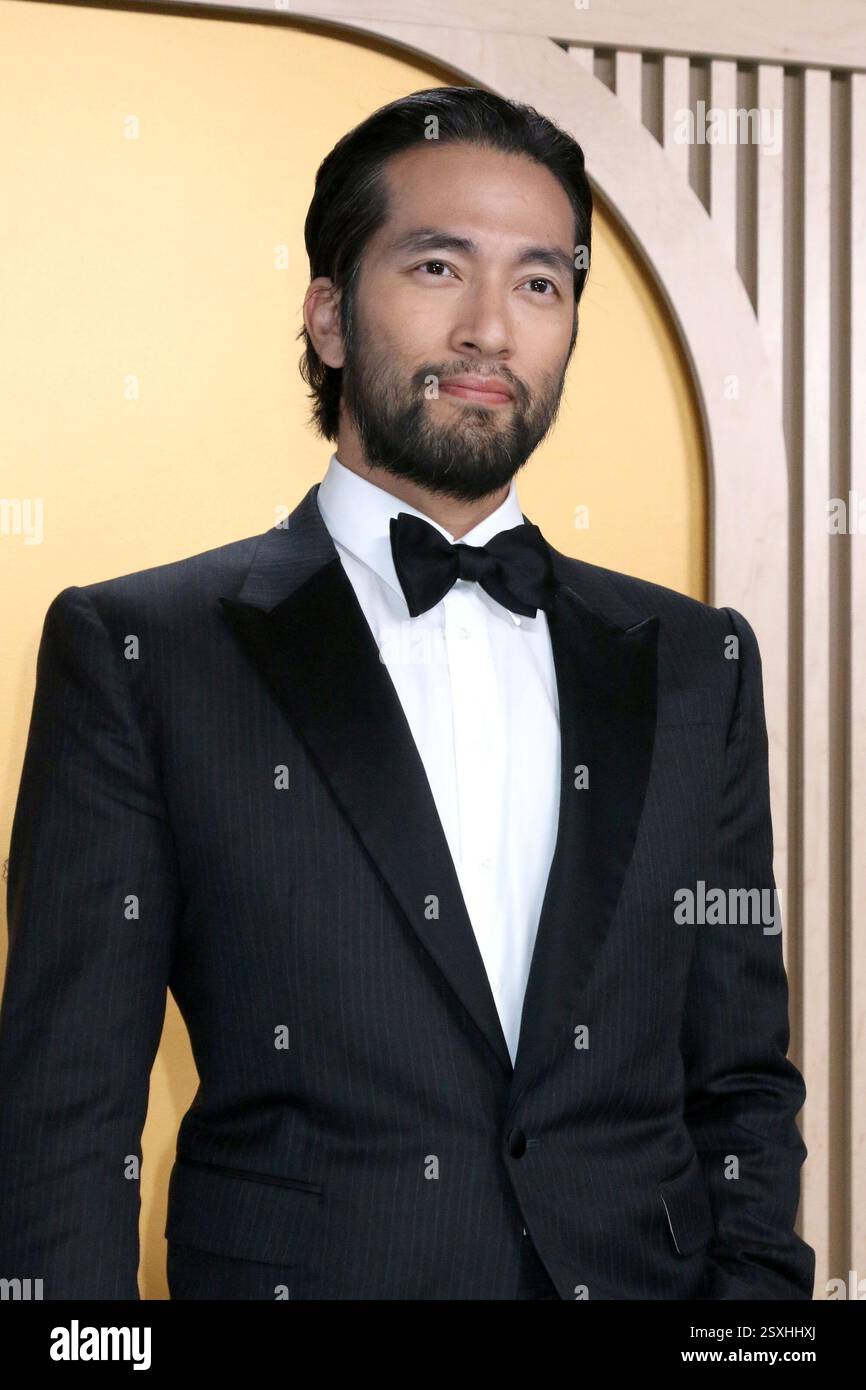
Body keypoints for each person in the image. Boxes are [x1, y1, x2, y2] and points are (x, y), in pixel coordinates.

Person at [0, 86, 814, 1300]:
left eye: (540, 284)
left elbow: (740, 1077)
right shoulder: (140, 651)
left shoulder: (699, 662)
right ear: (328, 316)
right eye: (438, 266)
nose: (491, 329)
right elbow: (67, 1114)